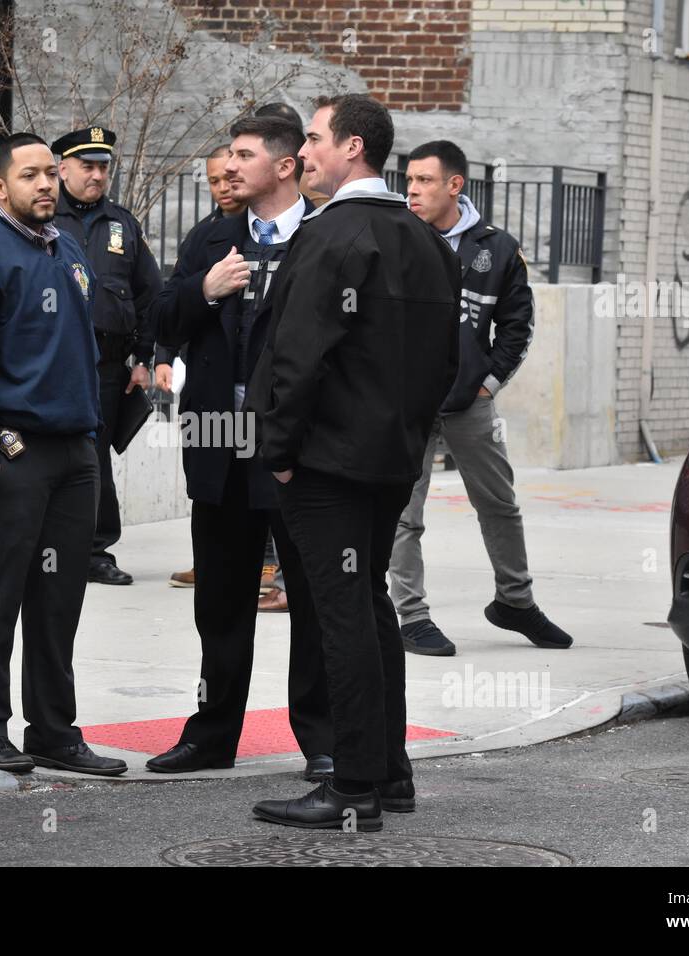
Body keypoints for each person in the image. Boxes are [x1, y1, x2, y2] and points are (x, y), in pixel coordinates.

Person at [246, 94, 461, 830]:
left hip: (329, 467)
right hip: (390, 461)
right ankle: (389, 776)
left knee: (344, 619)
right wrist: (410, 440)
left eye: (312, 140)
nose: (303, 154)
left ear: (354, 149)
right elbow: (445, 366)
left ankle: (354, 786)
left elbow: (296, 355)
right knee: (370, 609)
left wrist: (277, 453)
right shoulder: (427, 241)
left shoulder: (333, 235)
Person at [0, 132, 127, 777]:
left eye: (49, 174)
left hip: (75, 454)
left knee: (60, 601)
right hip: (10, 456)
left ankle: (55, 733)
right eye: (30, 175)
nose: (45, 184)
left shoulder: (65, 249)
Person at [147, 115, 333, 780]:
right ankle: (211, 734)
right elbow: (161, 317)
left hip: (297, 453)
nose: (230, 167)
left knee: (312, 603)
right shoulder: (213, 236)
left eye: (245, 155)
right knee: (220, 605)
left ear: (284, 167)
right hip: (219, 449)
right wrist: (204, 289)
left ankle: (323, 739)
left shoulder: (324, 234)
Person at [389, 140, 575, 656]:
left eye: (424, 181)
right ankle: (411, 616)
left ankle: (514, 601)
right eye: (408, 181)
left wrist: (486, 384)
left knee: (499, 503)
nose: (412, 191)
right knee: (404, 513)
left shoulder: (496, 247)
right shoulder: (397, 238)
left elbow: (518, 327)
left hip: (469, 402)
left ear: (455, 185)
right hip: (405, 402)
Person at [51, 126, 163, 588]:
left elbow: (151, 294)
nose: (98, 175)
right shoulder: (43, 219)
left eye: (103, 167)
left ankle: (96, 551)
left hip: (107, 365)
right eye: (87, 166)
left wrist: (143, 355)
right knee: (48, 453)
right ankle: (52, 546)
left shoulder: (123, 224)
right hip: (52, 363)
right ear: (62, 169)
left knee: (95, 458)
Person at [162, 143, 247, 590]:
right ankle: (209, 563)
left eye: (232, 176)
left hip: (268, 411)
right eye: (215, 180)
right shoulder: (202, 238)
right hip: (212, 405)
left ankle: (272, 568)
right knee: (212, 501)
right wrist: (206, 289)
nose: (224, 186)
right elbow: (165, 311)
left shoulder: (302, 231)